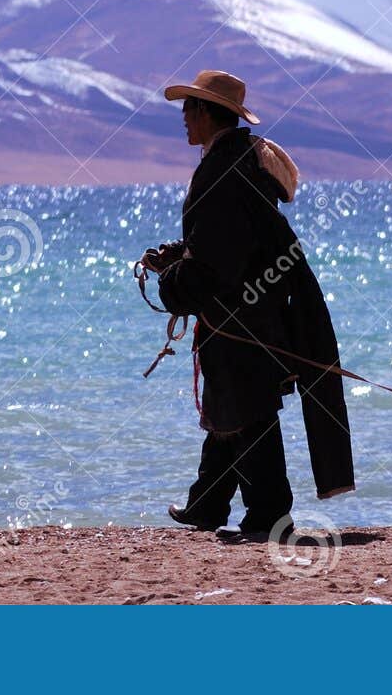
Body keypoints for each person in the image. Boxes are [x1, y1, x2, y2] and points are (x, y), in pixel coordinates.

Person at [145, 70, 354, 540]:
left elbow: (219, 262)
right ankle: (208, 503)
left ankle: (270, 514)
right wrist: (182, 257)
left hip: (240, 316)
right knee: (231, 405)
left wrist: (173, 281)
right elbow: (237, 244)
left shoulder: (220, 172)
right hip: (259, 309)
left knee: (248, 409)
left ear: (202, 113)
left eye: (187, 111)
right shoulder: (239, 162)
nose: (182, 121)